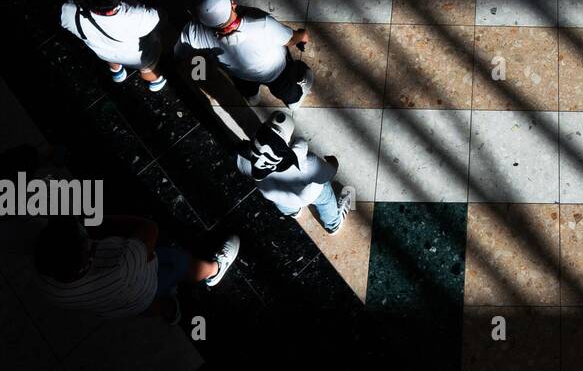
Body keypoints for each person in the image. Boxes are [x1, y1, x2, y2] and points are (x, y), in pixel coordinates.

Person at [35, 216, 239, 322]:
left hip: (115, 306)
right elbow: (149, 228)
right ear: (86, 256)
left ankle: (170, 311)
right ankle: (215, 270)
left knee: (141, 304)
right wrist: (100, 220)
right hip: (145, 279)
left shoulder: (48, 286)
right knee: (179, 262)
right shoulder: (124, 264)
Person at [175, 0, 314, 109]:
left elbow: (179, 51)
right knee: (286, 90)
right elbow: (290, 39)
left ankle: (252, 98)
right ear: (233, 3)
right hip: (274, 72)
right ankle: (294, 101)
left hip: (240, 75)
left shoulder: (193, 31)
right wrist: (303, 35)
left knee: (247, 88)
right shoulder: (262, 24)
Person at [238, 111, 356, 234]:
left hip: (280, 198)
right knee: (326, 199)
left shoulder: (247, 164)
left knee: (284, 204)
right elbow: (330, 172)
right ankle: (333, 224)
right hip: (311, 194)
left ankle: (294, 212)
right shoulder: (308, 163)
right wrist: (333, 163)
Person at [60, 0, 168, 92]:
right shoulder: (136, 16)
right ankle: (155, 82)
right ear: (119, 0)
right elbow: (161, 18)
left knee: (110, 57)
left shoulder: (68, 11)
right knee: (148, 69)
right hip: (138, 58)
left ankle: (117, 72)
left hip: (105, 53)